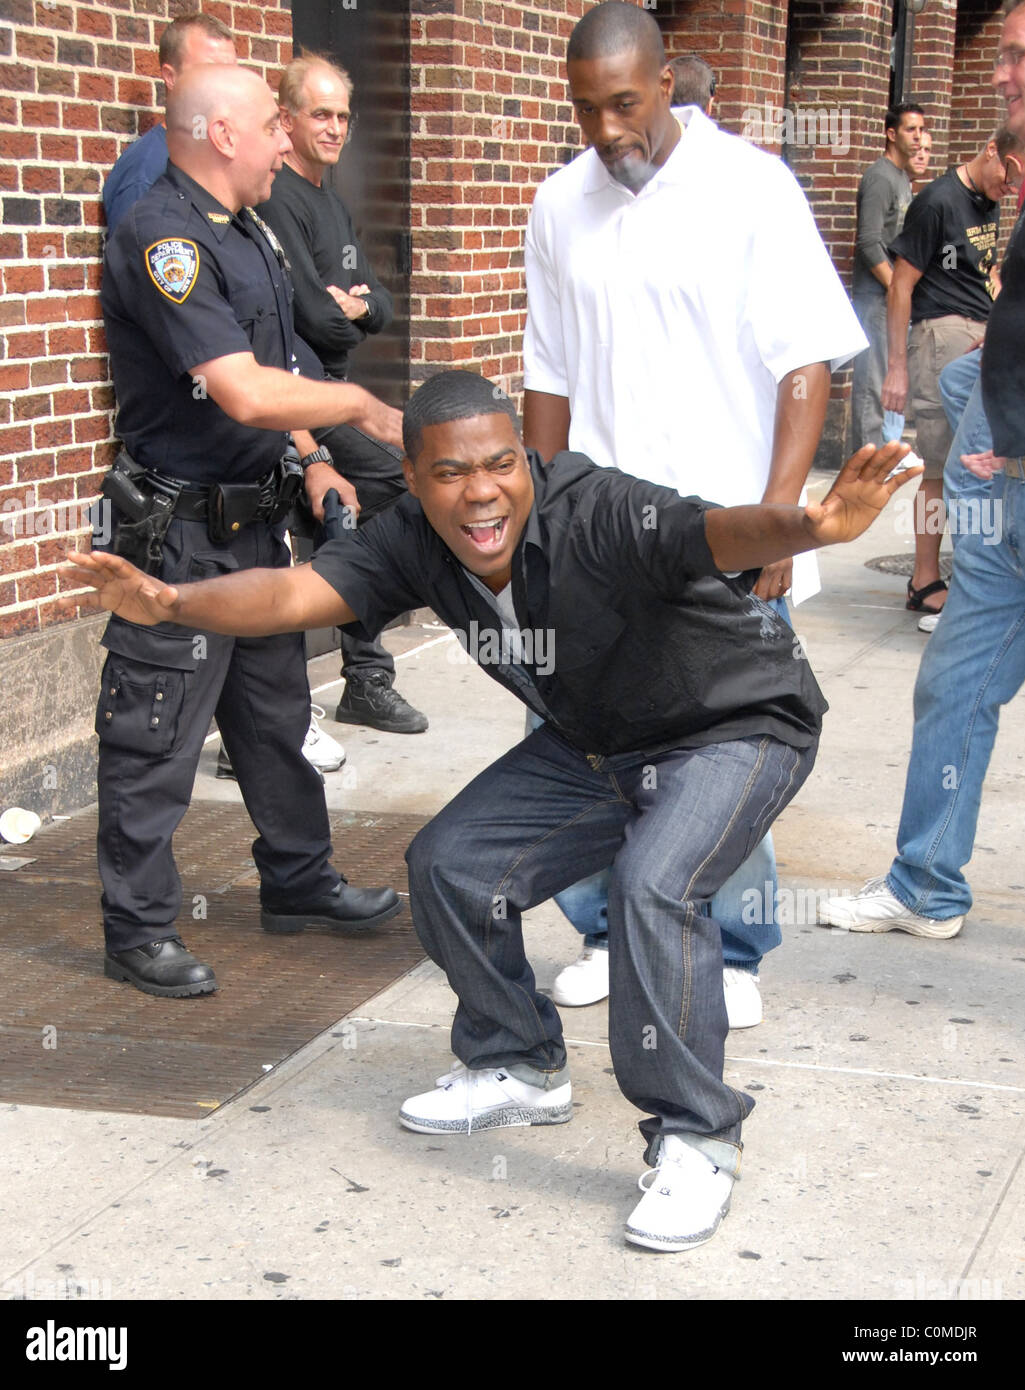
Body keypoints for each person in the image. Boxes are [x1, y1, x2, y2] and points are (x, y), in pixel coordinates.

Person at [68, 370, 922, 1251]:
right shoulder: (407, 541)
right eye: (450, 473)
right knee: (451, 864)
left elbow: (710, 532)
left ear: (525, 459)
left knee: (653, 886)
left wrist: (810, 525)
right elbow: (294, 595)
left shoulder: (596, 509)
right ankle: (518, 1062)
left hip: (733, 724)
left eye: (501, 464)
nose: (481, 490)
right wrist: (172, 603)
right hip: (596, 740)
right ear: (413, 477)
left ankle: (697, 1137)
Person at [522, 1, 866, 1023]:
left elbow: (803, 360)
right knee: (593, 732)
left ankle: (733, 952)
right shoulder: (557, 204)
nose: (607, 131)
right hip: (596, 536)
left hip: (723, 530)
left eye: (623, 103)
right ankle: (600, 929)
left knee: (729, 738)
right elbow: (547, 373)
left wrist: (779, 517)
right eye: (586, 111)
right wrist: (539, 520)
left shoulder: (751, 188)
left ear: (666, 79)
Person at [93, 64, 407, 998]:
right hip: (180, 535)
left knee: (275, 719)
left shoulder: (251, 229)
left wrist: (313, 460)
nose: (286, 141)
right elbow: (235, 387)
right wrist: (359, 405)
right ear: (222, 133)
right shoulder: (162, 237)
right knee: (156, 737)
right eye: (274, 124)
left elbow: (278, 368)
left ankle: (298, 881)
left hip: (256, 521)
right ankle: (138, 929)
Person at [820, 1, 1025, 940]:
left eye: (1018, 56)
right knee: (951, 684)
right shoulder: (986, 199)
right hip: (999, 494)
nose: (999, 73)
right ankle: (925, 882)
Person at [255, 55, 428, 736]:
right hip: (289, 388)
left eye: (341, 116)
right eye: (318, 114)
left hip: (326, 386)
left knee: (377, 491)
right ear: (287, 117)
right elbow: (313, 317)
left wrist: (357, 310)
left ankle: (363, 674)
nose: (332, 128)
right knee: (376, 482)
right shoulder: (275, 198)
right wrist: (349, 313)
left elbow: (379, 307)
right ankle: (296, 702)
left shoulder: (330, 202)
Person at [883, 131, 1018, 617]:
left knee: (981, 464)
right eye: (1009, 174)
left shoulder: (990, 201)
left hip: (980, 335)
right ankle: (924, 580)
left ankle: (970, 577)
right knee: (944, 468)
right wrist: (896, 366)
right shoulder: (937, 201)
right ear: (989, 151)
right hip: (940, 336)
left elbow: (985, 272)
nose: (1012, 186)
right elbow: (901, 285)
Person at [102, 12, 236, 236]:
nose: (225, 86)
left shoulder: (221, 157)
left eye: (231, 74)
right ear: (170, 77)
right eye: (209, 72)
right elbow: (135, 265)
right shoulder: (146, 172)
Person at [851, 102, 926, 452]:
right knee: (872, 387)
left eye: (921, 130)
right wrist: (897, 287)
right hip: (877, 300)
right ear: (891, 134)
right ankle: (861, 473)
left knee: (886, 389)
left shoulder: (901, 178)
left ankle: (877, 469)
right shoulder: (880, 177)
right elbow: (868, 242)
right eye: (911, 130)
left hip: (892, 299)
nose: (918, 136)